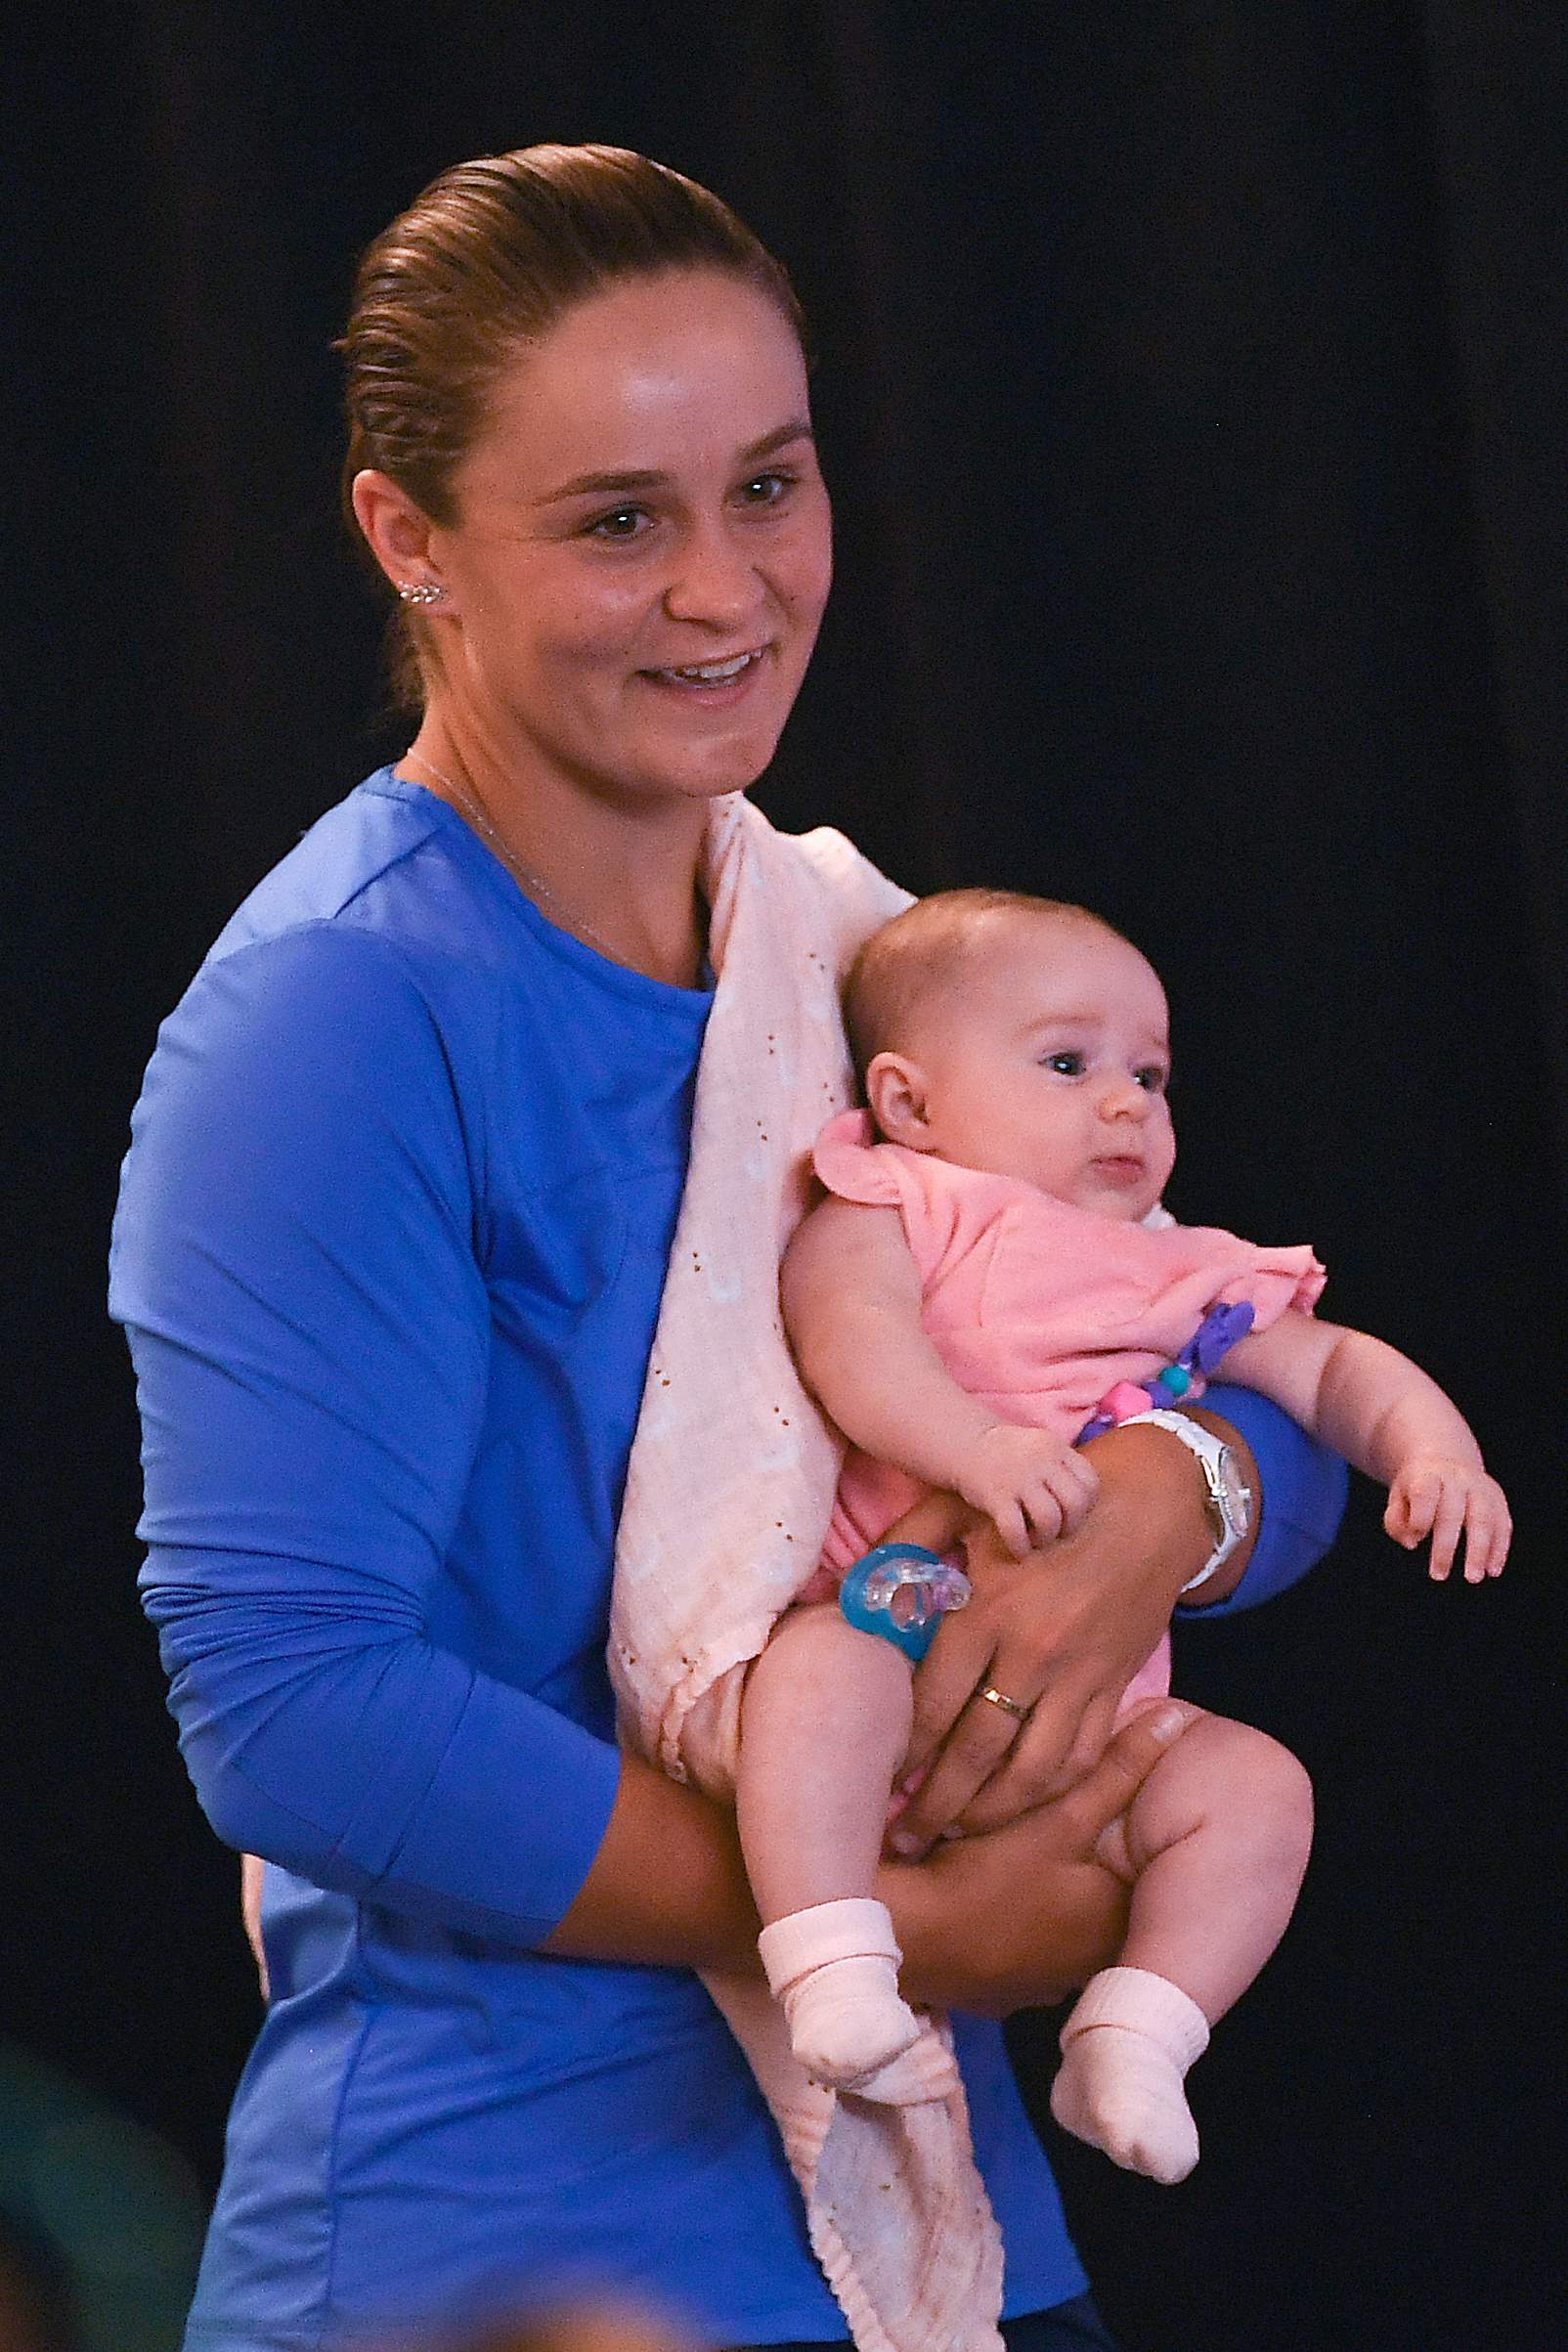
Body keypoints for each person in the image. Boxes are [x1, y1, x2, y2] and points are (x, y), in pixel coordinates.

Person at [109, 145, 1347, 2352]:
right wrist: (882, 1913)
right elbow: (290, 1710)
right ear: (412, 542)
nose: (726, 589)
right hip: (494, 2244)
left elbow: (1228, 1355)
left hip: (928, 2233)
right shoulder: (331, 1017)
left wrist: (1167, 1505)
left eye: (767, 487)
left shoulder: (849, 950)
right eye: (617, 520)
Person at [746, 889, 1508, 2184]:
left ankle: (1138, 2031)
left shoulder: (1183, 1266)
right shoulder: (907, 1201)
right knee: (814, 1678)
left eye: (1149, 1074)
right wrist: (977, 1448)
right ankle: (829, 1953)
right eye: (1068, 1062)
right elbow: (850, 1340)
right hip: (898, 1611)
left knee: (1258, 1788)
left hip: (1094, 1711)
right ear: (913, 1098)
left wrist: (1436, 1449)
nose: (1125, 1102)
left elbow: (1328, 1375)